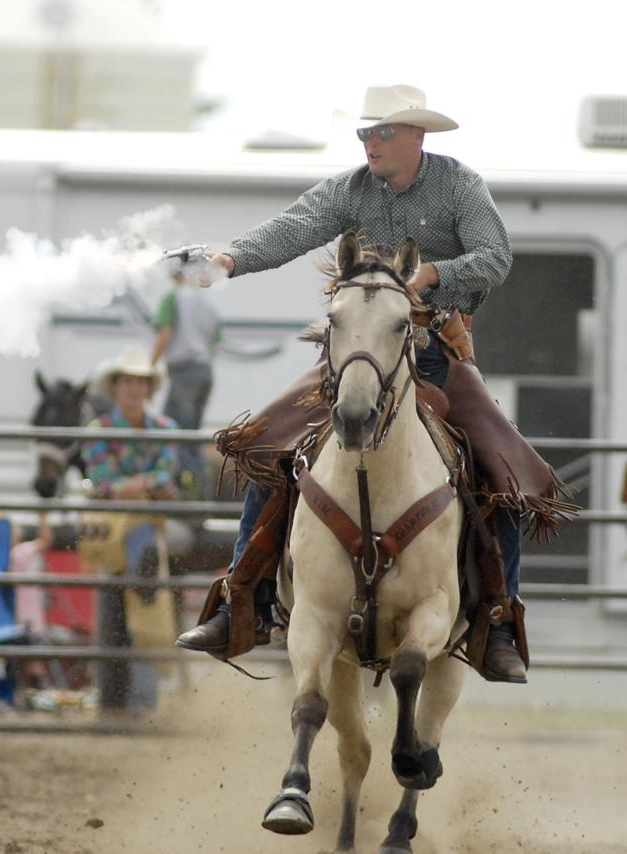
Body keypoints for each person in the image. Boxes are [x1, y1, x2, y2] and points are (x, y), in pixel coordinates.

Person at [175, 84, 573, 683]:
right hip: (356, 350)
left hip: (437, 349)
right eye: (365, 132)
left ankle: (497, 619)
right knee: (269, 447)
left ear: (416, 136)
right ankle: (243, 599)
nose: (370, 143)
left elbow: (494, 257)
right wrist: (229, 259)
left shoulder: (460, 185)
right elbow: (293, 228)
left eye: (382, 132)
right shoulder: (349, 189)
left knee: (504, 469)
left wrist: (431, 274)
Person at [78, 346, 179, 712]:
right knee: (147, 600)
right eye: (129, 381)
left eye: (141, 382)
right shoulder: (158, 430)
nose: (135, 388)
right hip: (123, 528)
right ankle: (139, 700)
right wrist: (143, 484)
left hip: (131, 530)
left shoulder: (155, 429)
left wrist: (125, 485)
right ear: (117, 386)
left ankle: (129, 699)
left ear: (148, 389)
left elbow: (114, 480)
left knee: (134, 596)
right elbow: (108, 481)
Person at [151, 266, 222, 498]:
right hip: (205, 371)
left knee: (174, 430)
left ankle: (184, 491)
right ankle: (200, 488)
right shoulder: (208, 302)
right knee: (192, 433)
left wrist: (150, 367)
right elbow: (216, 342)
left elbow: (165, 334)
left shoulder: (174, 297)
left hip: (184, 370)